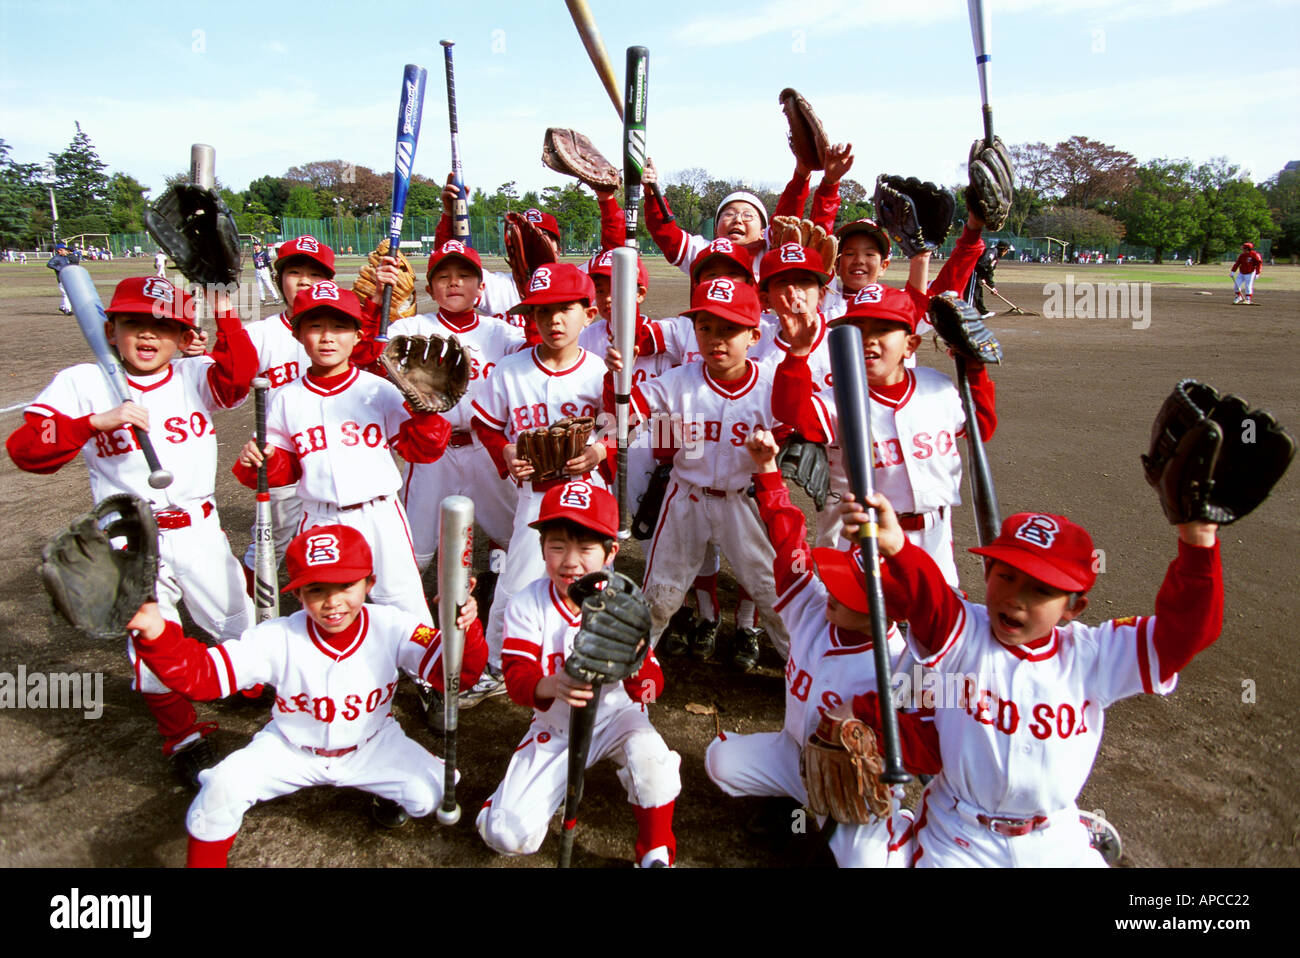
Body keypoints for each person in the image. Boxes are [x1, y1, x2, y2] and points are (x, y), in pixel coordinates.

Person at [836, 490, 1223, 867]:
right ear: (987, 573)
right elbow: (928, 595)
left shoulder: (1093, 657)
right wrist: (897, 547)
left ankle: (1084, 829)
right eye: (1006, 577)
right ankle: (894, 833)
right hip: (960, 834)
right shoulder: (963, 630)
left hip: (1055, 837)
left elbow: (1182, 635)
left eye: (1040, 589)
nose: (1016, 598)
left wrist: (1199, 540)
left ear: (1074, 607)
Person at [6, 275, 257, 783]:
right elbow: (26, 450)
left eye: (163, 327)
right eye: (134, 323)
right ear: (110, 329)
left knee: (239, 620)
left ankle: (249, 684)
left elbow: (239, 376)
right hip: (130, 537)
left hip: (198, 529)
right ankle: (182, 736)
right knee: (148, 635)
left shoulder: (192, 373)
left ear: (183, 337)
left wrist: (224, 309)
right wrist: (93, 423)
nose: (147, 334)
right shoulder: (82, 382)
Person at [126, 523, 488, 867]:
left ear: (369, 583)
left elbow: (457, 674)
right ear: (297, 594)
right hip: (289, 749)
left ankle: (386, 791)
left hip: (373, 744)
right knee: (219, 791)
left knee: (430, 794)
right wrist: (154, 630)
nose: (333, 602)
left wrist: (465, 628)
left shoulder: (394, 624)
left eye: (346, 585)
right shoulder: (276, 636)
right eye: (316, 589)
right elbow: (202, 676)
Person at [702, 427, 927, 866]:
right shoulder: (812, 606)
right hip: (793, 752)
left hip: (855, 783)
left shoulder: (900, 665)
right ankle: (794, 809)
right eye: (838, 583)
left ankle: (896, 824)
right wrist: (768, 471)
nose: (833, 594)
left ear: (884, 614)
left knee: (861, 862)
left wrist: (878, 759)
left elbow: (928, 737)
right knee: (719, 762)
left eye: (850, 595)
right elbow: (788, 539)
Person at [476, 481, 679, 868]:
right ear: (541, 549)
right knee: (505, 835)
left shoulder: (623, 604)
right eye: (557, 546)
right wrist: (555, 684)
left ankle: (656, 849)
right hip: (557, 726)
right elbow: (517, 681)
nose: (570, 561)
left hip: (618, 718)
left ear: (610, 552)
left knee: (655, 766)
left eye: (586, 548)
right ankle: (499, 805)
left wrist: (636, 662)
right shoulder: (528, 604)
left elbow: (652, 690)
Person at [232, 281, 452, 622]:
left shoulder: (379, 389)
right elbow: (282, 471)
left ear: (358, 336)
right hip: (320, 517)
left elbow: (421, 450)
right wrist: (262, 461)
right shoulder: (285, 398)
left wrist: (427, 414)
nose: (327, 337)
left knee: (407, 609)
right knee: (329, 611)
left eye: (339, 327)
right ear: (297, 334)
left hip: (380, 515)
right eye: (315, 327)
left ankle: (423, 655)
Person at [605, 276, 792, 669]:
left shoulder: (771, 385)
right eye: (705, 327)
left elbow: (797, 427)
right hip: (686, 498)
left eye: (729, 329)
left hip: (744, 502)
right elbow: (622, 419)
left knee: (774, 595)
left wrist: (776, 450)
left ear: (754, 336)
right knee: (660, 596)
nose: (715, 339)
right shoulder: (680, 381)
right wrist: (616, 380)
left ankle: (807, 674)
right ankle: (630, 676)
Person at [771, 283, 997, 587]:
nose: (869, 339)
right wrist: (798, 353)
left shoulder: (937, 386)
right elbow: (790, 412)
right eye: (858, 330)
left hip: (935, 534)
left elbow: (981, 428)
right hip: (869, 534)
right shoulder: (839, 398)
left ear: (910, 345)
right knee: (866, 611)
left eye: (883, 329)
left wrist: (975, 368)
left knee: (937, 610)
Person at [469, 263, 612, 703]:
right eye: (543, 311)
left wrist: (600, 451)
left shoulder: (598, 371)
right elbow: (486, 424)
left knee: (596, 583)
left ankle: (601, 658)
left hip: (587, 492)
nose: (554, 320)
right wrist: (506, 452)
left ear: (588, 314)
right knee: (515, 584)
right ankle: (497, 664)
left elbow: (621, 426)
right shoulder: (510, 370)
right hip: (536, 496)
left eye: (565, 309)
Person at [235, 235, 336, 582]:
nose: (305, 281)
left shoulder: (343, 330)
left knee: (334, 538)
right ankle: (252, 605)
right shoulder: (259, 334)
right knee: (271, 541)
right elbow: (226, 382)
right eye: (295, 273)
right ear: (279, 280)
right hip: (280, 455)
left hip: (332, 452)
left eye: (315, 274)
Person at [969, 240, 1012, 319]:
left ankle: (983, 312)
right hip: (973, 273)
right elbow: (981, 264)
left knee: (978, 293)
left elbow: (989, 271)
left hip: (978, 274)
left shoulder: (995, 255)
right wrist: (982, 278)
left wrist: (991, 285)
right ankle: (965, 314)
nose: (1006, 253)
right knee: (972, 294)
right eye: (1007, 250)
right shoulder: (991, 253)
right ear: (1004, 249)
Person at [46, 241, 80, 314]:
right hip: (61, 279)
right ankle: (67, 310)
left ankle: (62, 307)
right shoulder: (57, 258)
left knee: (68, 293)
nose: (66, 251)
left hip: (67, 278)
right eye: (65, 250)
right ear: (60, 250)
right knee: (66, 294)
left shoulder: (64, 258)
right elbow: (49, 264)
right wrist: (60, 269)